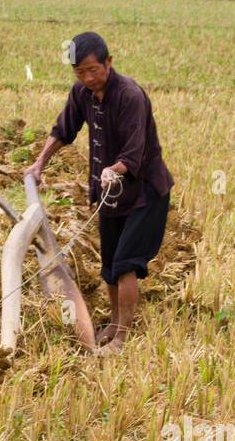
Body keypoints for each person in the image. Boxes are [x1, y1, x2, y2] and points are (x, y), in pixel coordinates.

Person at [26, 31, 174, 354]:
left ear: (109, 62)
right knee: (108, 264)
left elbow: (133, 155)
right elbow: (63, 130)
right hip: (109, 193)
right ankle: (113, 320)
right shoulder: (82, 93)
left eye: (94, 70)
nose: (88, 78)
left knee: (124, 263)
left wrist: (112, 169)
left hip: (144, 193)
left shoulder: (130, 96)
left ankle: (121, 337)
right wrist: (39, 163)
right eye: (80, 72)